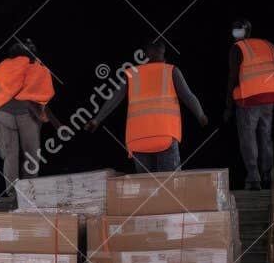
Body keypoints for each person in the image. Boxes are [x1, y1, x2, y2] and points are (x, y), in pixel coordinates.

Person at [88, 41, 209, 172]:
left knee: (146, 185)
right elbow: (188, 96)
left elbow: (113, 99)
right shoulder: (171, 71)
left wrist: (97, 120)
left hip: (138, 140)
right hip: (165, 137)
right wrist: (200, 114)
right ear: (161, 52)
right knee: (170, 184)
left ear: (145, 54)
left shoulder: (131, 74)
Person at [0, 39, 55, 189]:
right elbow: (42, 96)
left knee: (11, 154)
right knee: (31, 153)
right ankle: (29, 189)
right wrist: (44, 115)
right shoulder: (38, 66)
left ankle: (13, 191)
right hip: (22, 112)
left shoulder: (7, 63)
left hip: (3, 111)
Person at [226, 18, 274, 190]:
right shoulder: (269, 45)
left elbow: (232, 77)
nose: (235, 33)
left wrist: (228, 105)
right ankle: (266, 175)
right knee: (265, 135)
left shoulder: (238, 48)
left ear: (246, 31)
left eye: (237, 29)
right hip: (269, 96)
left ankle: (254, 178)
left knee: (248, 137)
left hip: (249, 98)